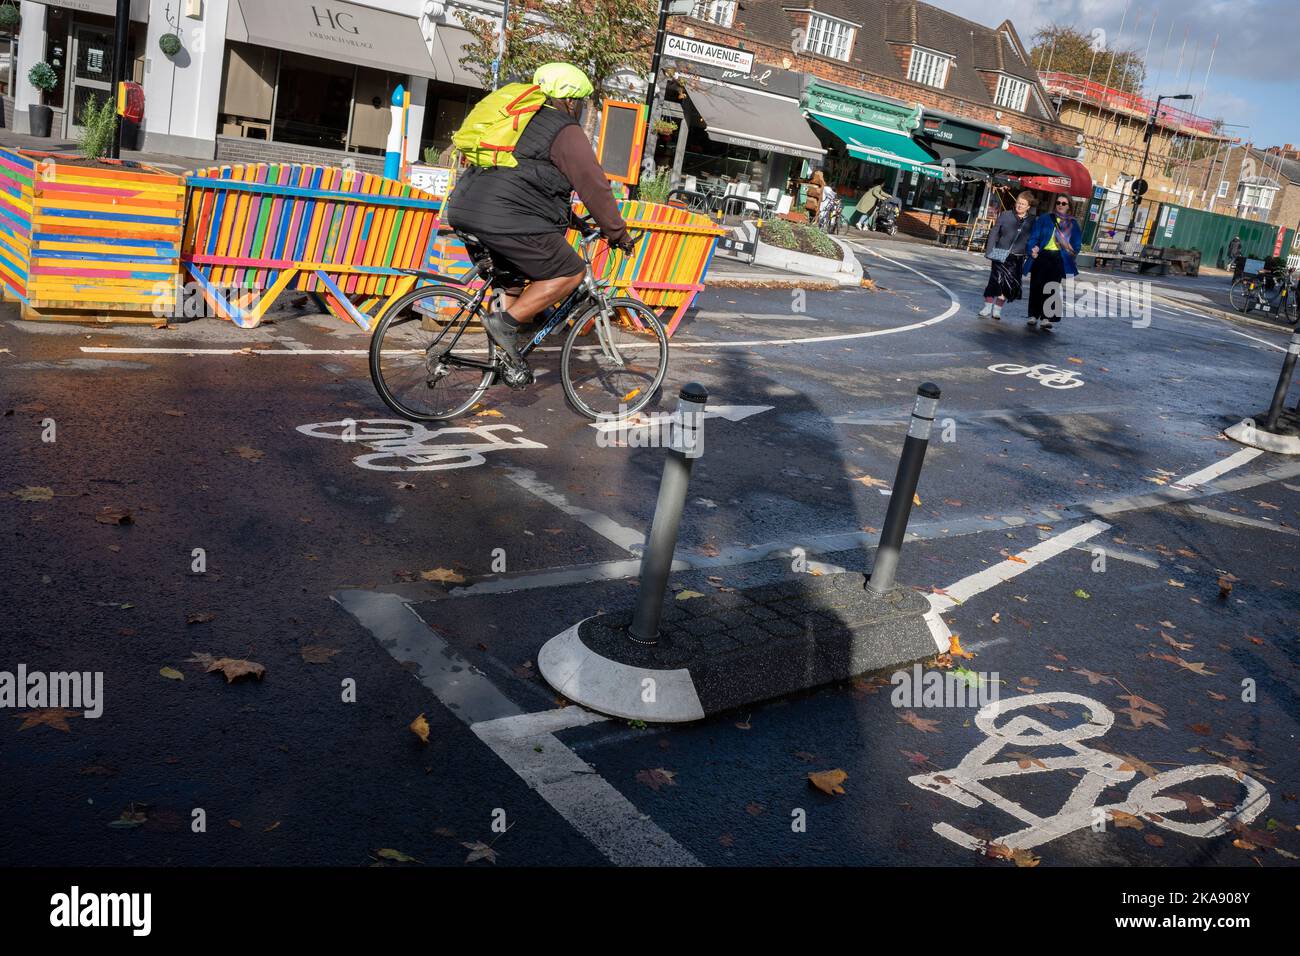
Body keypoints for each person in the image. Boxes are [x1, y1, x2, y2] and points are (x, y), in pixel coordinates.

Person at [443, 62, 634, 366]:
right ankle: (503, 325)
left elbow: (529, 184)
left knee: (514, 280)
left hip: (466, 208)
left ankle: (505, 360)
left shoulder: (516, 121)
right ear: (570, 101)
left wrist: (577, 223)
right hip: (503, 217)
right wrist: (617, 233)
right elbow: (593, 184)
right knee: (571, 271)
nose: (581, 110)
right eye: (581, 103)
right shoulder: (563, 130)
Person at [1023, 194, 1083, 333]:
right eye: (1058, 203)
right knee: (1036, 286)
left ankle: (1046, 318)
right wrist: (1033, 248)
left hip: (1059, 257)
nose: (1060, 205)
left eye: (1064, 203)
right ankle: (1033, 315)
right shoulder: (1045, 218)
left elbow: (1077, 245)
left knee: (1052, 288)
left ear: (1069, 207)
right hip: (1042, 255)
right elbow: (1034, 237)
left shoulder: (1073, 224)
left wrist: (1066, 247)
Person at [977, 191, 1036, 319]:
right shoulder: (1005, 215)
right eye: (1018, 203)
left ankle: (997, 310)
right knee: (995, 281)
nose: (1019, 206)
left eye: (1023, 204)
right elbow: (994, 233)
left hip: (1018, 256)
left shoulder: (1032, 221)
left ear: (1028, 207)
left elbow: (1034, 238)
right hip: (999, 252)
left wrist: (1034, 250)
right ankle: (987, 307)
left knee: (1008, 284)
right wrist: (989, 251)